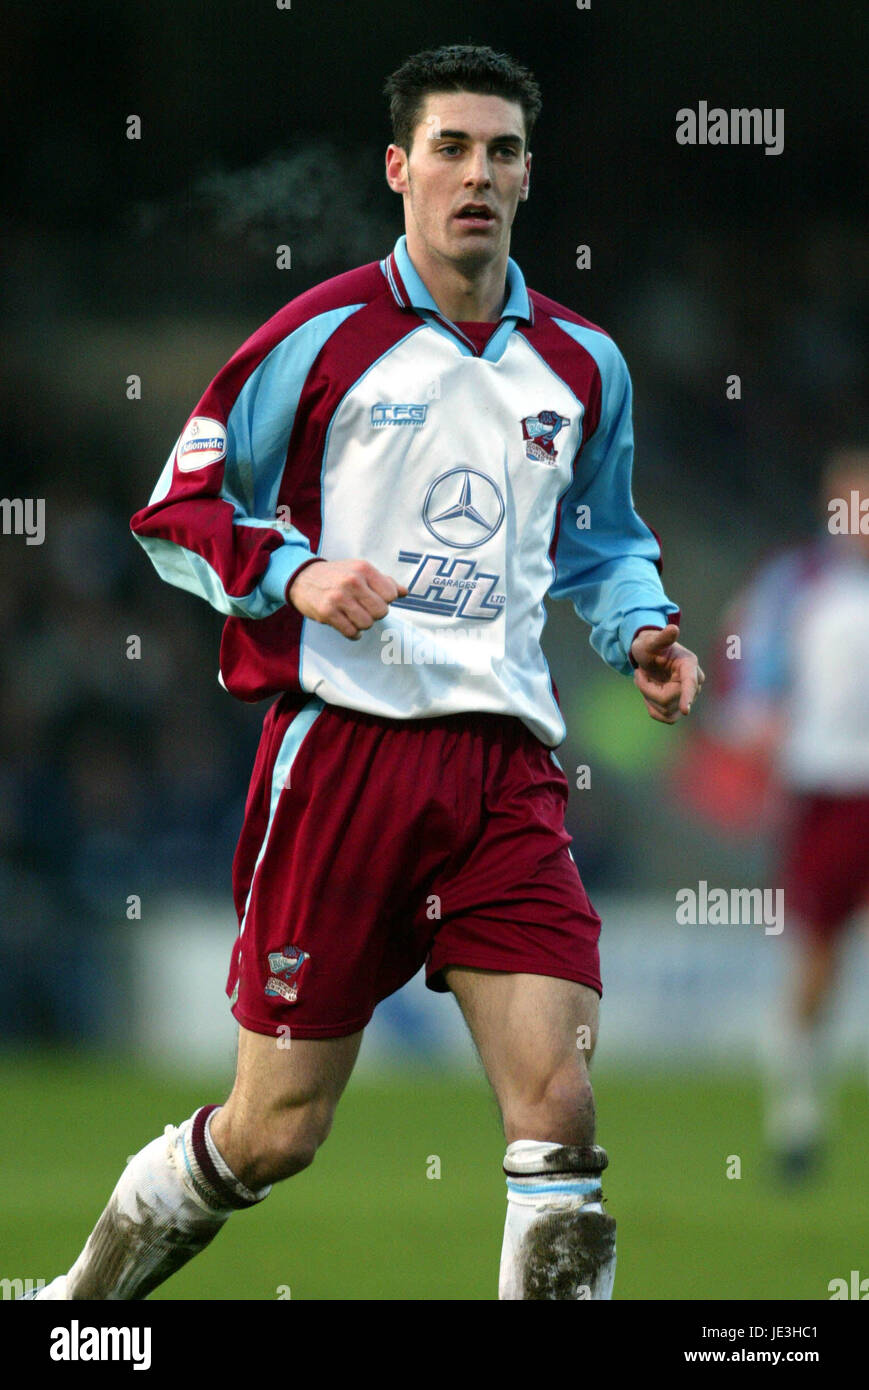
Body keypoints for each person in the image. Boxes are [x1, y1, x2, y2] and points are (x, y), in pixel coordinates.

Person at [30, 43, 702, 1302]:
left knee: (556, 1104)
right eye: (449, 148)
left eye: (501, 151)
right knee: (275, 1129)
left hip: (504, 769)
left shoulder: (582, 364)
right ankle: (77, 1307)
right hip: (343, 757)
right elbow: (176, 509)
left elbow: (602, 539)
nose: (476, 175)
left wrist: (640, 629)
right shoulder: (320, 337)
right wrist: (295, 575)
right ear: (397, 170)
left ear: (525, 176)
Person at [698, 447, 869, 1180]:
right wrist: (754, 728)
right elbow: (744, 680)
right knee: (815, 958)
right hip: (823, 788)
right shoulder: (792, 584)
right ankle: (795, 1116)